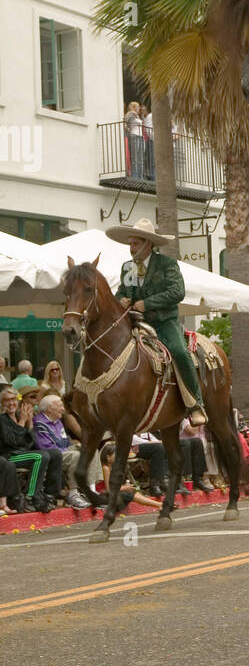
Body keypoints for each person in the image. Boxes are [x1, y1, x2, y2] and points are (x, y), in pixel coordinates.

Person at [106, 216, 207, 426]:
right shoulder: (128, 268)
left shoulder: (167, 264)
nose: (131, 248)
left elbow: (177, 292)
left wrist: (147, 303)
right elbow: (121, 292)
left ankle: (195, 404)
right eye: (130, 244)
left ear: (147, 244)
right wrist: (120, 300)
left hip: (164, 323)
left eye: (135, 244)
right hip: (135, 323)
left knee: (179, 352)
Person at [0, 387, 54, 512]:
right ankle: (30, 496)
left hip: (22, 453)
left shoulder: (20, 416)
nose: (11, 403)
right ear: (2, 403)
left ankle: (47, 495)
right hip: (9, 455)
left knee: (52, 454)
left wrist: (29, 423)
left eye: (13, 399)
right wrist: (22, 421)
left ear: (17, 400)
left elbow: (30, 444)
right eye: (7, 400)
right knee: (40, 456)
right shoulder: (2, 420)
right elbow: (12, 442)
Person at [33, 393, 84, 507]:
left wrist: (73, 444)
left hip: (62, 450)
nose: (63, 409)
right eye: (60, 406)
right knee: (75, 455)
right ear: (50, 408)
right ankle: (73, 493)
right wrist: (67, 449)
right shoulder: (40, 423)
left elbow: (64, 442)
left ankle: (90, 488)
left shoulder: (58, 421)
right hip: (51, 455)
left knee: (89, 451)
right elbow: (45, 446)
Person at [178, 417, 215, 491]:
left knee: (199, 442)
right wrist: (199, 422)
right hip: (181, 441)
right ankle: (185, 479)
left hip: (194, 441)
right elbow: (191, 431)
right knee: (189, 443)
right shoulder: (183, 419)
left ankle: (198, 478)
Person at [124, 101, 145, 179]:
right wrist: (128, 130)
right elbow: (125, 122)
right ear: (133, 107)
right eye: (138, 106)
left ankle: (140, 176)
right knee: (135, 157)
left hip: (140, 136)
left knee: (140, 158)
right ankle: (135, 176)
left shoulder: (137, 116)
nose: (139, 108)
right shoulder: (131, 114)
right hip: (134, 136)